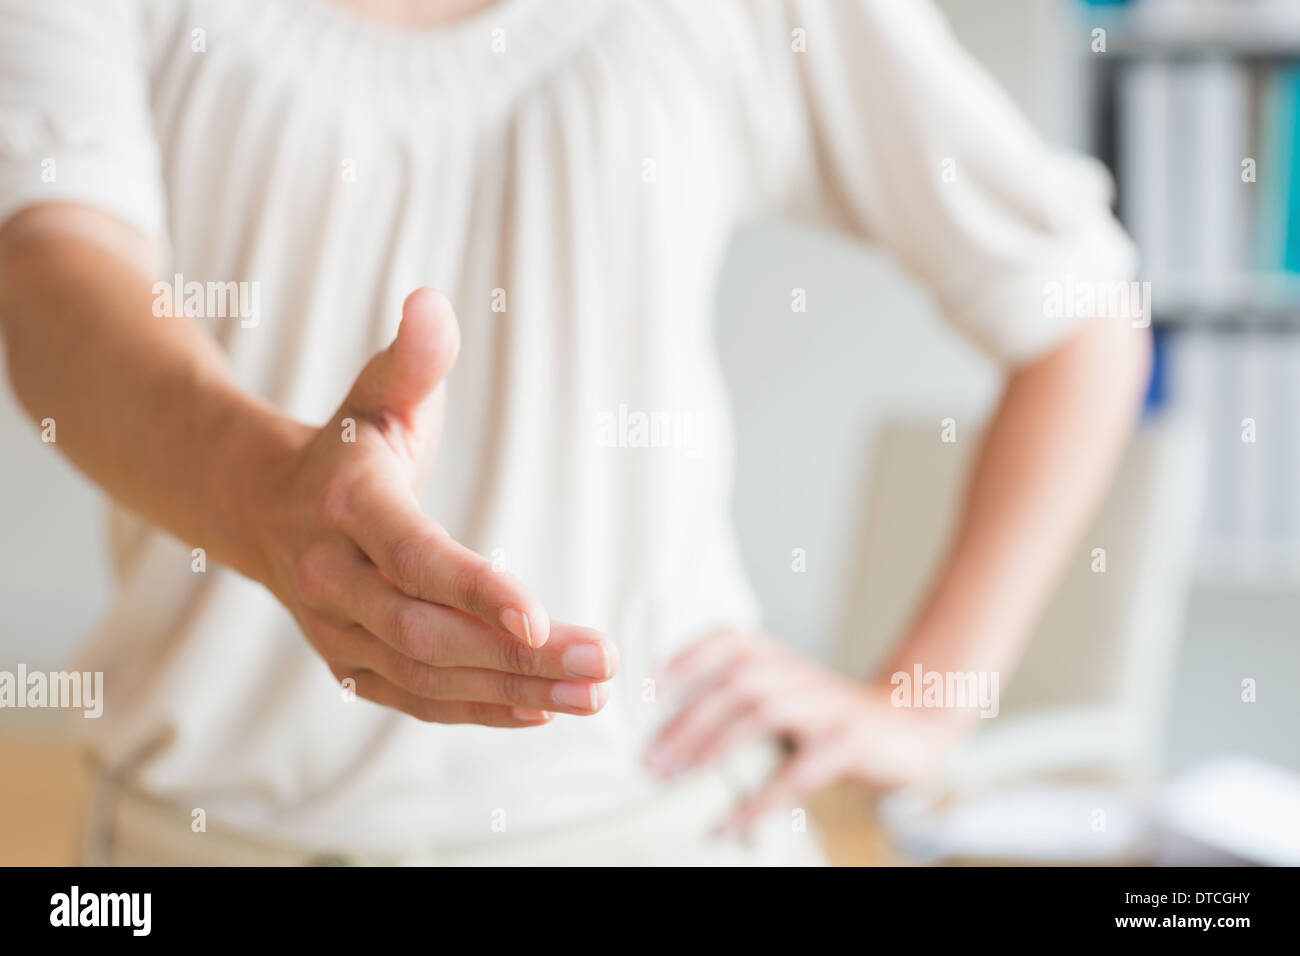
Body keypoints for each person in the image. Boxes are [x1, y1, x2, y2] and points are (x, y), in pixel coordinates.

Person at [0, 0, 1149, 865]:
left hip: (659, 827)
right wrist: (262, 497)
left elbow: (1082, 306)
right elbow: (51, 268)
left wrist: (927, 702)